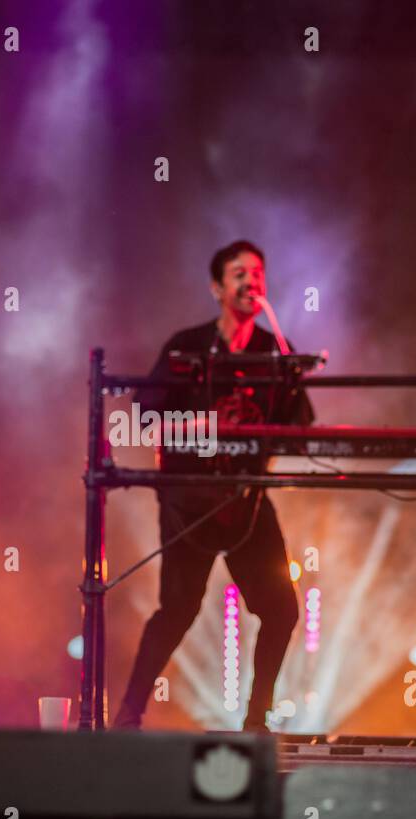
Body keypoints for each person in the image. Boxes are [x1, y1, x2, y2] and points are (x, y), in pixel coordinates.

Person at [113, 240, 313, 733]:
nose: (251, 282)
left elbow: (303, 426)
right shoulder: (186, 346)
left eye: (258, 273)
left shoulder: (272, 350)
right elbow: (143, 414)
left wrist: (289, 376)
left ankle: (255, 721)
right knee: (177, 610)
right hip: (189, 501)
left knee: (282, 608)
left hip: (245, 502)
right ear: (218, 288)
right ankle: (129, 714)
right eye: (240, 273)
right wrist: (206, 422)